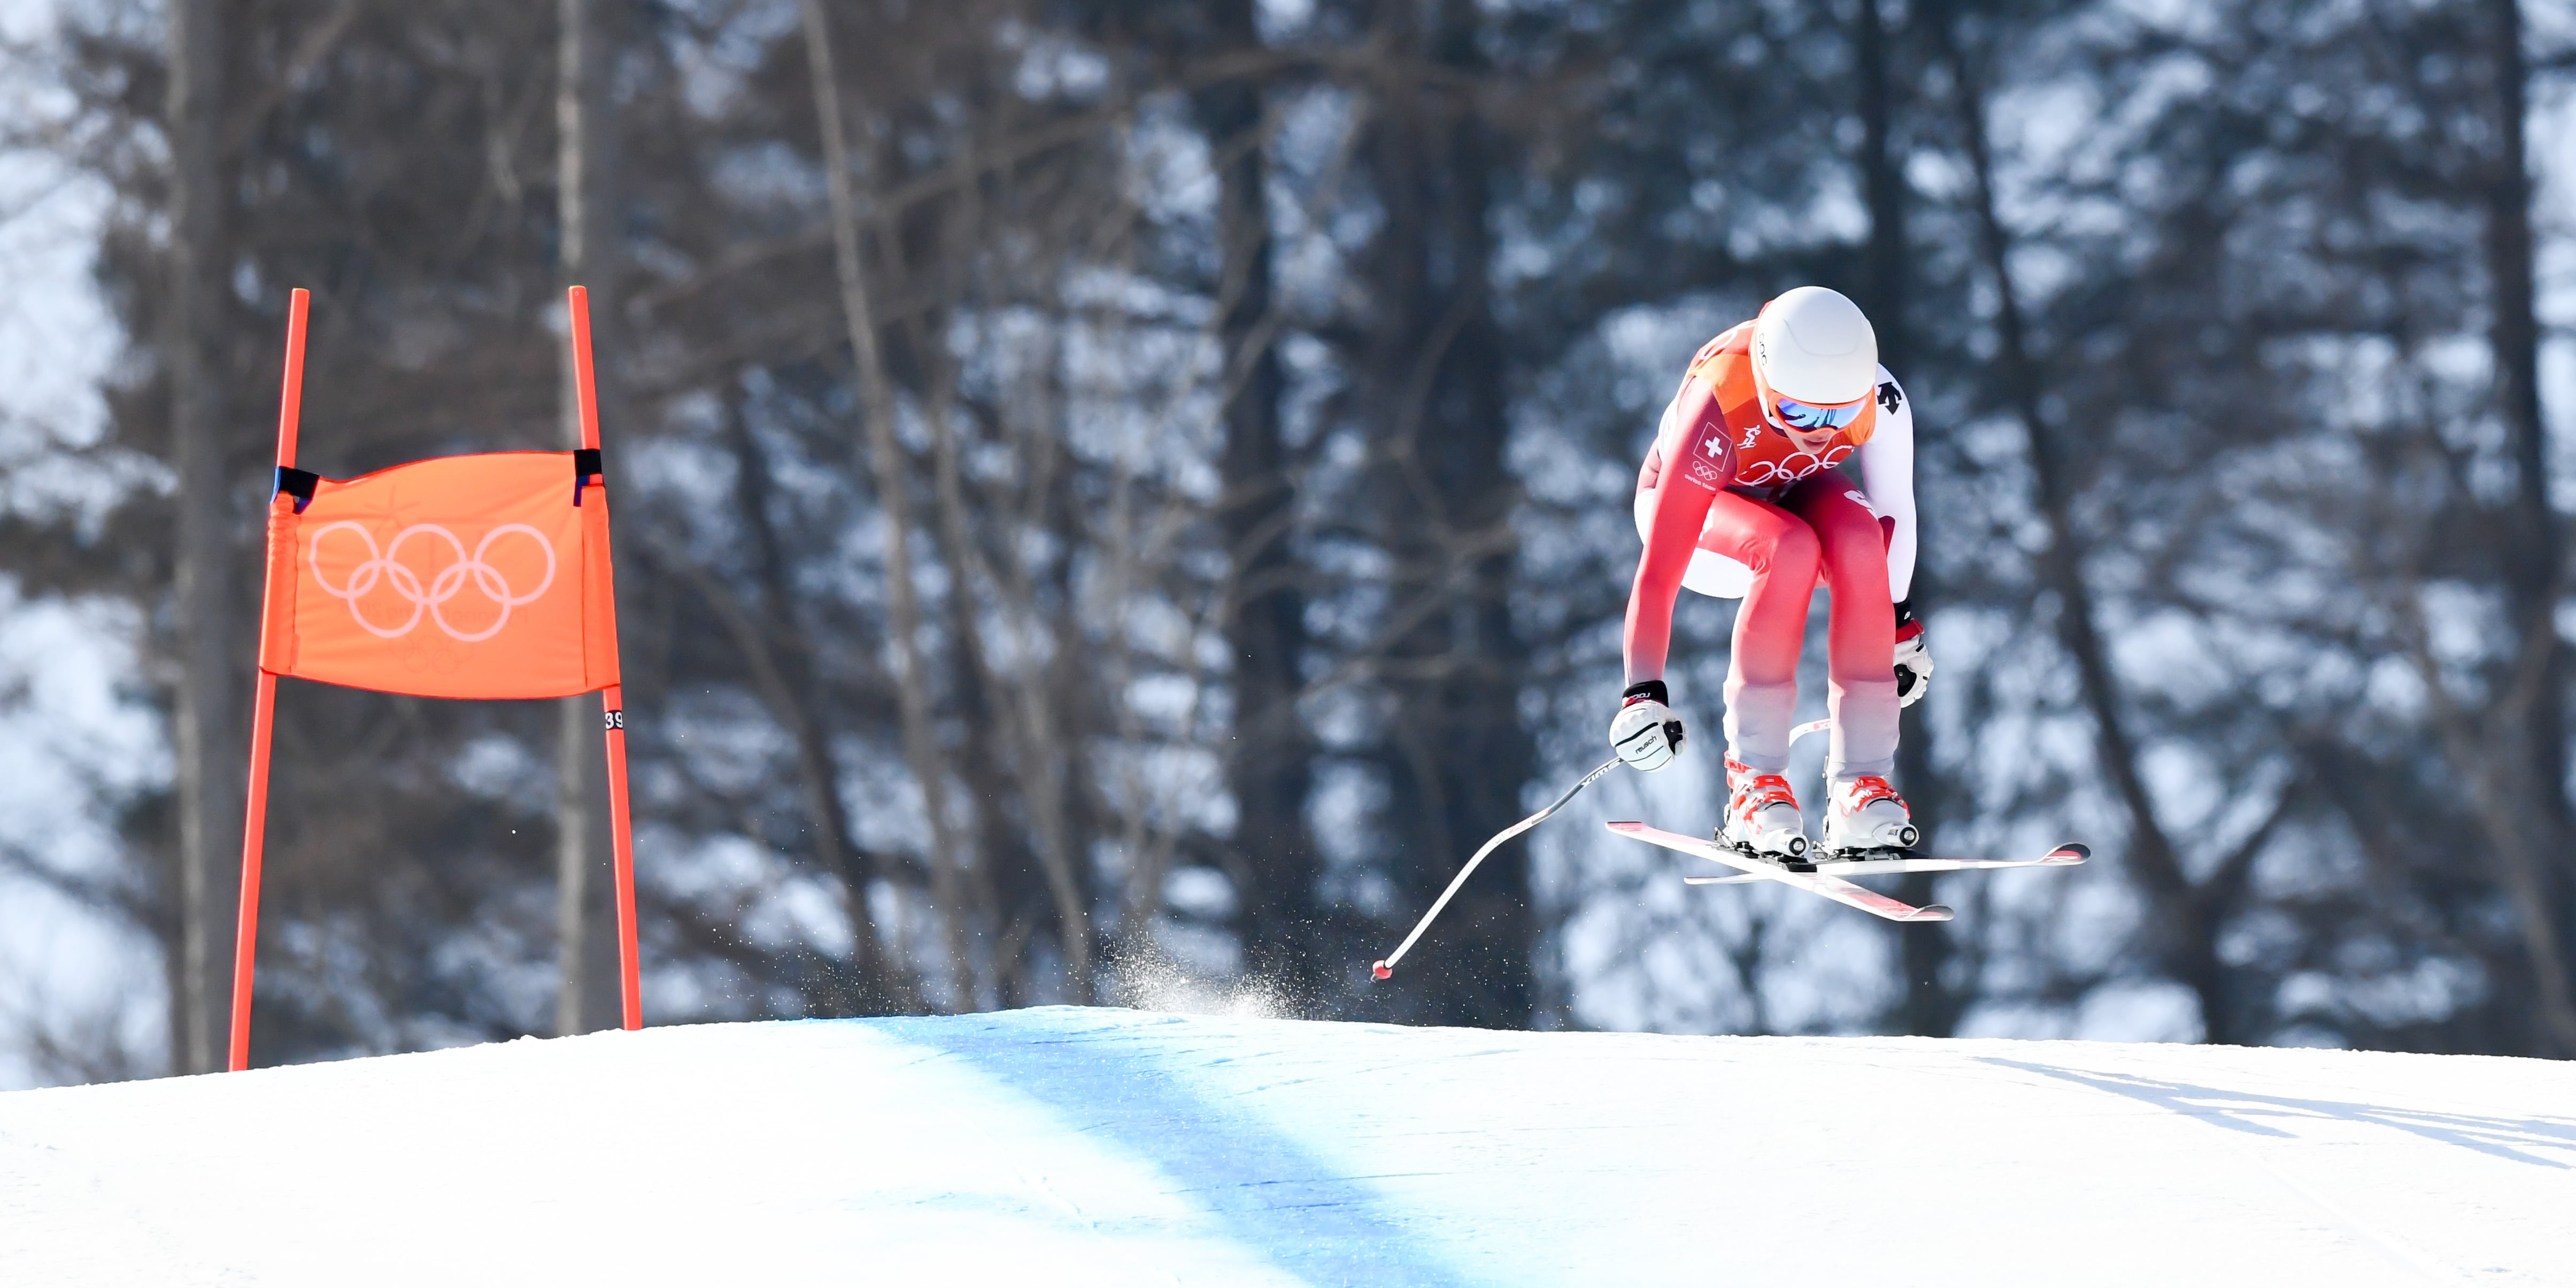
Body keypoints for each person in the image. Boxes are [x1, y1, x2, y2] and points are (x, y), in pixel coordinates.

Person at [1606, 286, 1932, 860]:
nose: (1819, 433)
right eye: (1798, 413)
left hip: (1788, 491)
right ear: (1764, 385)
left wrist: (1899, 623)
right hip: (1696, 517)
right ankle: (1753, 783)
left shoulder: (1880, 400)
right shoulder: (1719, 405)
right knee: (1788, 549)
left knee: (1859, 539)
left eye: (1838, 417)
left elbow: (1895, 510)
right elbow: (1658, 572)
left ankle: (1862, 784)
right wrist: (1643, 691)